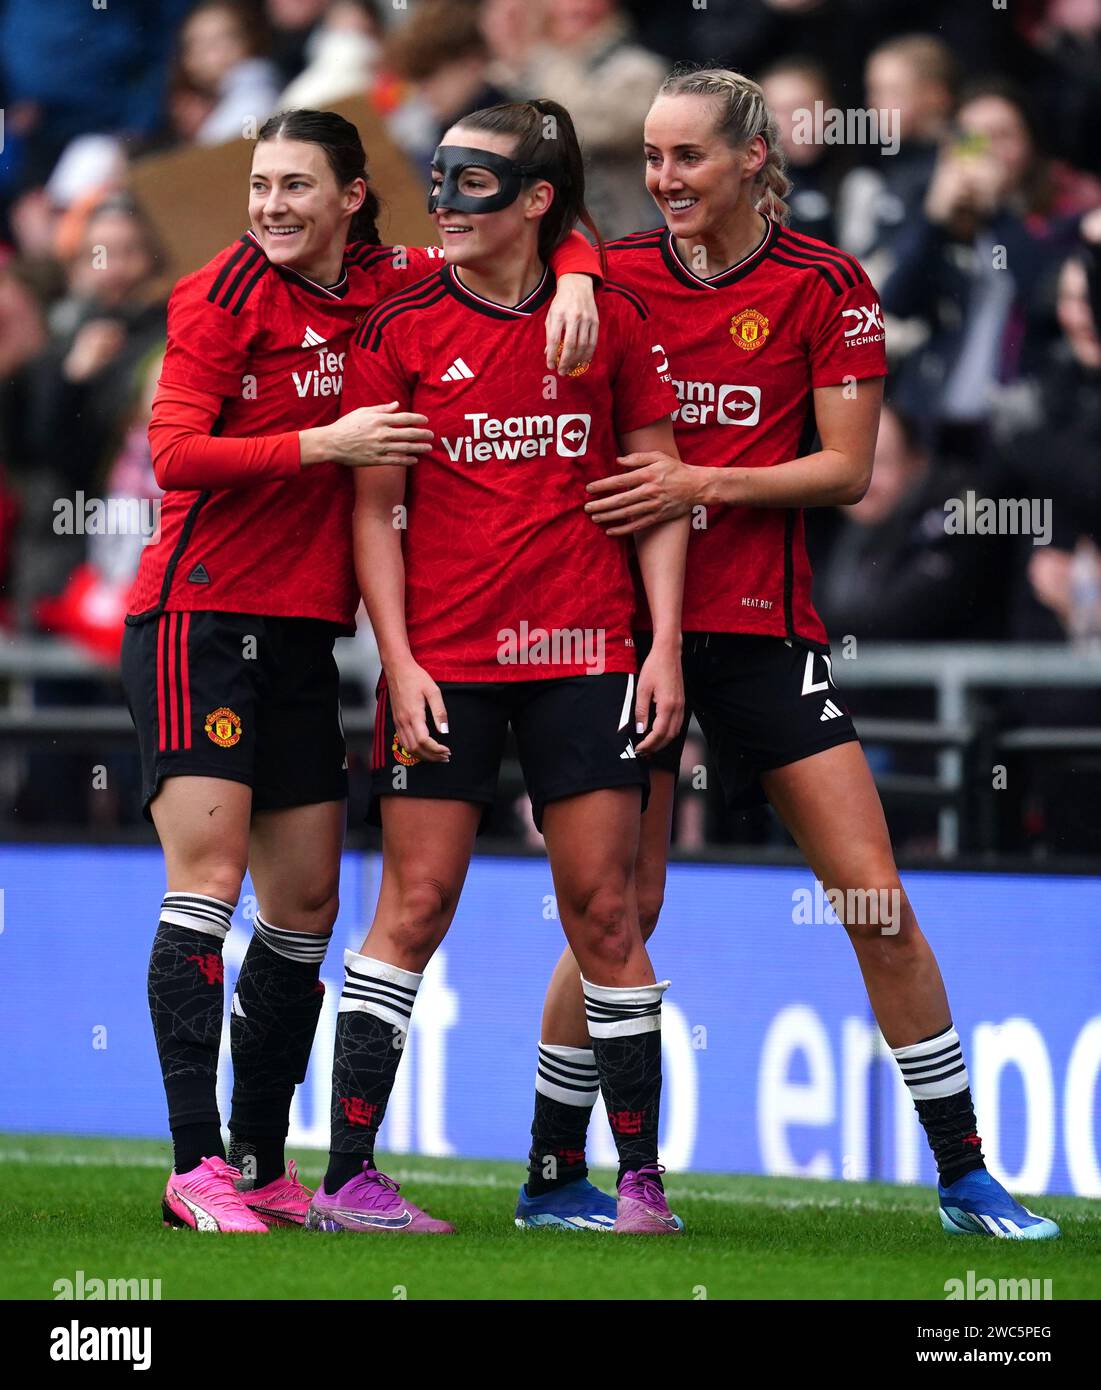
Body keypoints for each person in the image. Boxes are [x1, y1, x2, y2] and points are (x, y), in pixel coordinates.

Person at [519, 68, 1061, 1242]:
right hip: (626, 633)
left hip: (764, 632)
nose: (663, 179)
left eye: (687, 158)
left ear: (754, 157)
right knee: (623, 907)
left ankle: (966, 1174)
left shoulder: (828, 284)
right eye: (653, 158)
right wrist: (568, 264)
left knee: (873, 895)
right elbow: (545, 267)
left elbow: (850, 472)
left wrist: (699, 478)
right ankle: (554, 1168)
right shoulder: (611, 271)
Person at [120, 106, 602, 1235]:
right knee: (210, 882)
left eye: (296, 186)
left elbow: (539, 226)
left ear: (351, 197)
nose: (271, 207)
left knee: (306, 908)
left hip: (304, 632)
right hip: (198, 620)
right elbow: (174, 452)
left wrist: (576, 276)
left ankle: (264, 1161)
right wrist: (323, 448)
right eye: (259, 185)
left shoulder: (398, 281)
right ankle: (193, 1167)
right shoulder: (221, 297)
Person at [307, 96, 691, 1237]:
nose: (444, 201)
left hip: (587, 653)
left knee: (608, 914)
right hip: (448, 666)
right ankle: (348, 1179)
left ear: (536, 201)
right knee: (412, 906)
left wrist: (663, 642)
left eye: (476, 182)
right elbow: (374, 513)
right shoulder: (402, 319)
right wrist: (400, 660)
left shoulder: (607, 315)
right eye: (438, 177)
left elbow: (662, 487)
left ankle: (633, 1185)